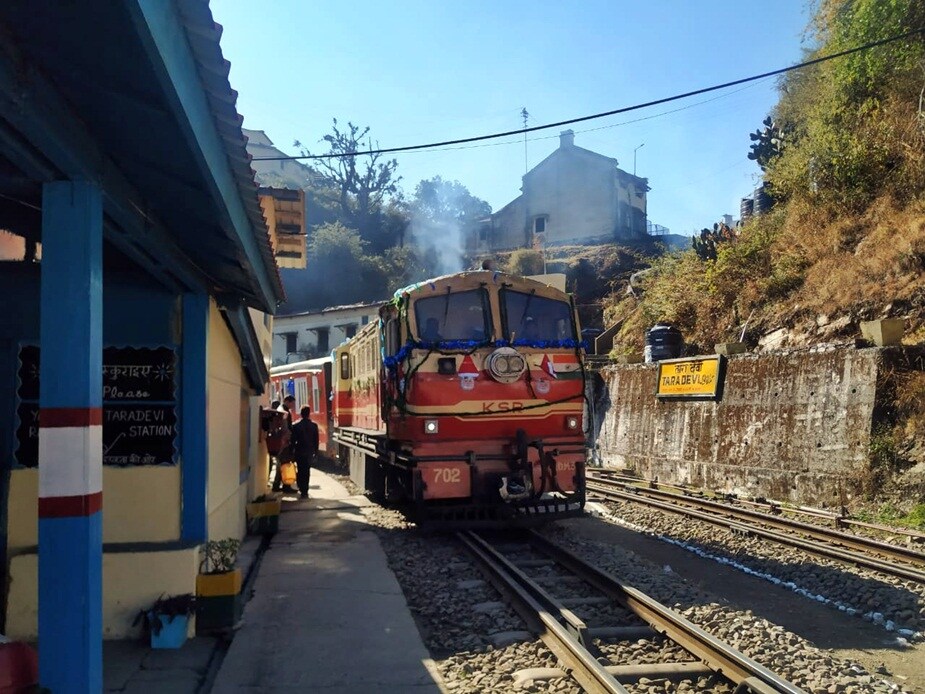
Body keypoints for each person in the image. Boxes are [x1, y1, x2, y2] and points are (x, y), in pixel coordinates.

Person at [290, 405, 319, 499]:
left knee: (300, 469)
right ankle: (305, 490)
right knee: (307, 471)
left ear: (301, 414)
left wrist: (292, 451)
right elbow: (316, 440)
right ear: (309, 413)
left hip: (299, 451)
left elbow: (293, 440)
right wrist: (316, 452)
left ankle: (301, 486)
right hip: (309, 451)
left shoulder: (295, 425)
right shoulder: (314, 426)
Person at [271, 396, 297, 492]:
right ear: (287, 401)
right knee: (284, 464)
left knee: (281, 465)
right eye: (292, 403)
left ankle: (277, 485)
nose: (293, 405)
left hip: (281, 442)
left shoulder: (281, 409)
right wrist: (288, 439)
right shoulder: (283, 412)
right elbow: (285, 428)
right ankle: (285, 486)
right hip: (284, 442)